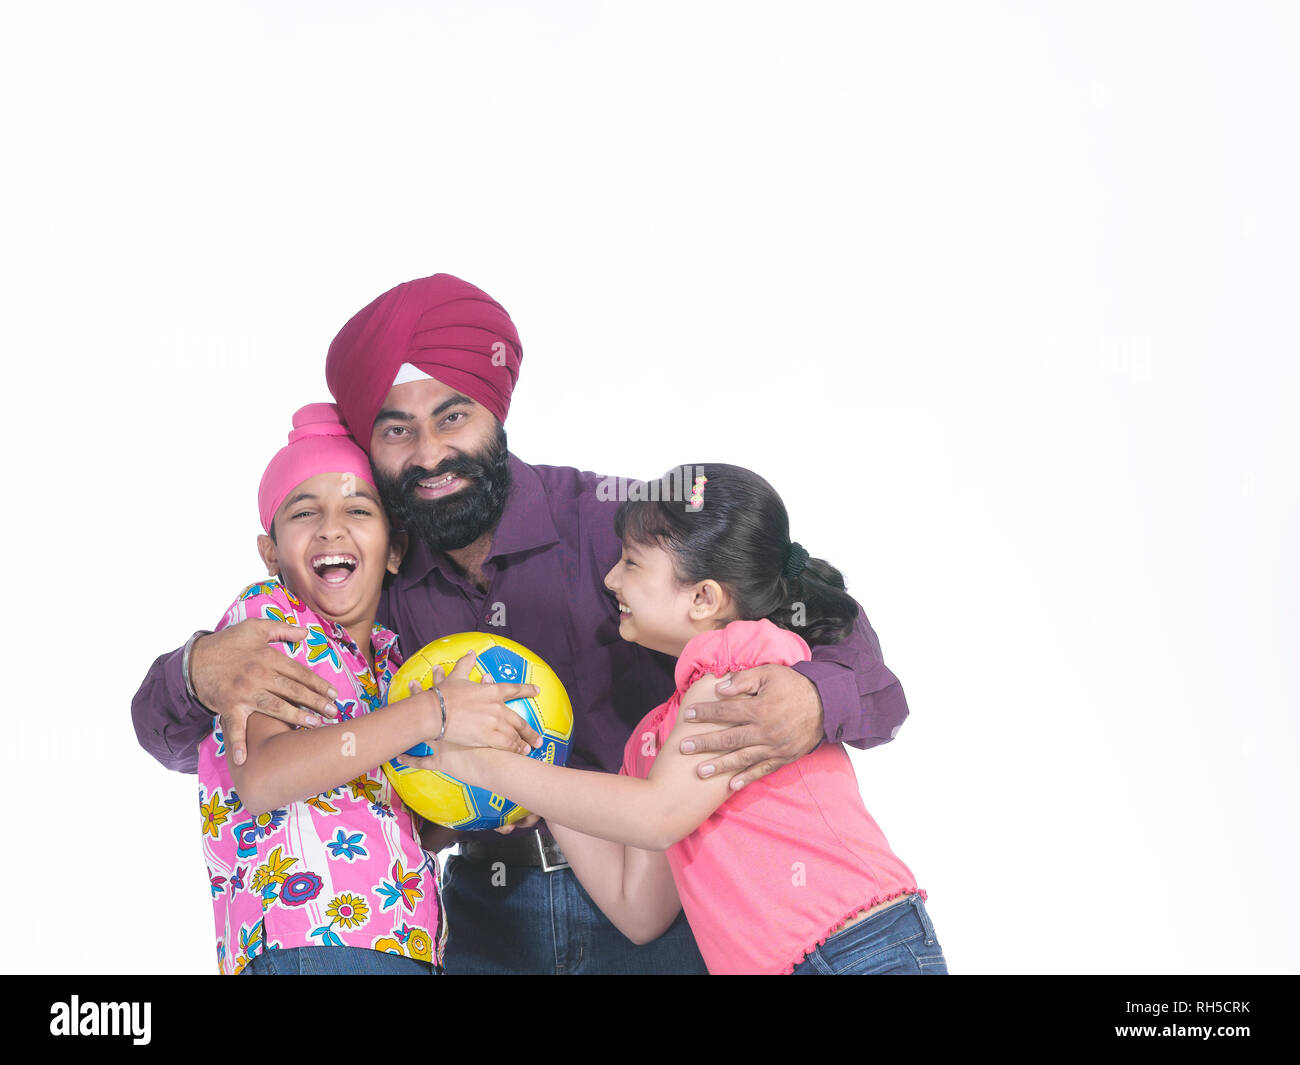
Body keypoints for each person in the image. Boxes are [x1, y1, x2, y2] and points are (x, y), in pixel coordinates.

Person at [133, 273, 913, 975]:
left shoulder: (620, 527)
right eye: (397, 429)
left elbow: (811, 605)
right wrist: (196, 670)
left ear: (495, 413)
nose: (432, 452)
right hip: (484, 913)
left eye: (453, 416)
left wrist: (814, 698)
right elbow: (193, 737)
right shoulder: (371, 583)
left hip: (659, 900)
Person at [424, 464, 948, 974]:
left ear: (703, 597)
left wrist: (482, 766)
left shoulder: (741, 669)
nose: (610, 579)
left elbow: (657, 816)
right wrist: (535, 766)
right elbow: (638, 913)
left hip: (857, 949)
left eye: (630, 562)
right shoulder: (654, 740)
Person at [199, 402, 541, 975]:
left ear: (396, 550)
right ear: (270, 554)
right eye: (305, 514)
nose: (332, 528)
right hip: (309, 937)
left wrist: (484, 804)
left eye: (358, 510)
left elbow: (402, 824)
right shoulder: (267, 620)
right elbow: (264, 779)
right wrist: (433, 711)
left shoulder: (392, 660)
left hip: (404, 940)